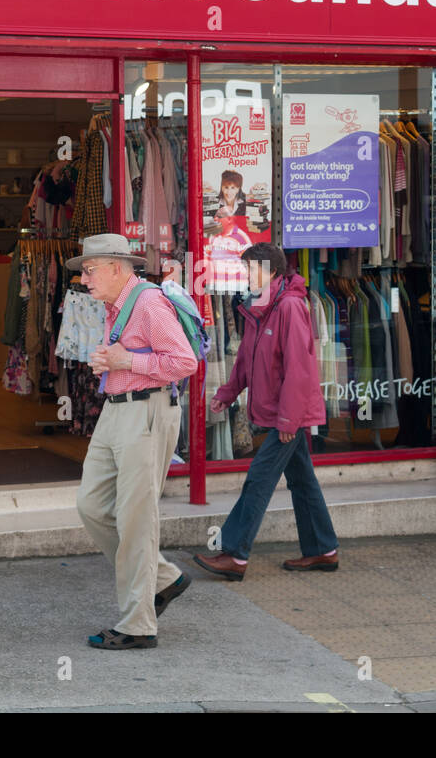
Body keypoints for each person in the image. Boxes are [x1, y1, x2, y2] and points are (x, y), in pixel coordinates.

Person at [68, 233, 198, 649]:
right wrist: (110, 363)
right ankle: (163, 578)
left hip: (146, 411)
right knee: (91, 505)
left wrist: (126, 361)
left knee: (136, 521)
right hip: (118, 409)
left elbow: (184, 363)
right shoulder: (116, 304)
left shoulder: (148, 303)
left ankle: (138, 626)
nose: (84, 279)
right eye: (84, 271)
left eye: (90, 270)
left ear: (117, 268)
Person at [194, 243, 339, 581]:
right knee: (302, 481)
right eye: (245, 269)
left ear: (272, 272)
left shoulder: (289, 306)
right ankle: (322, 549)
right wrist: (228, 393)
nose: (247, 275)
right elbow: (247, 357)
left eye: (252, 269)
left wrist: (290, 419)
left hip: (287, 415)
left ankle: (235, 554)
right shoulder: (260, 306)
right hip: (280, 412)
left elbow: (299, 368)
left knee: (259, 480)